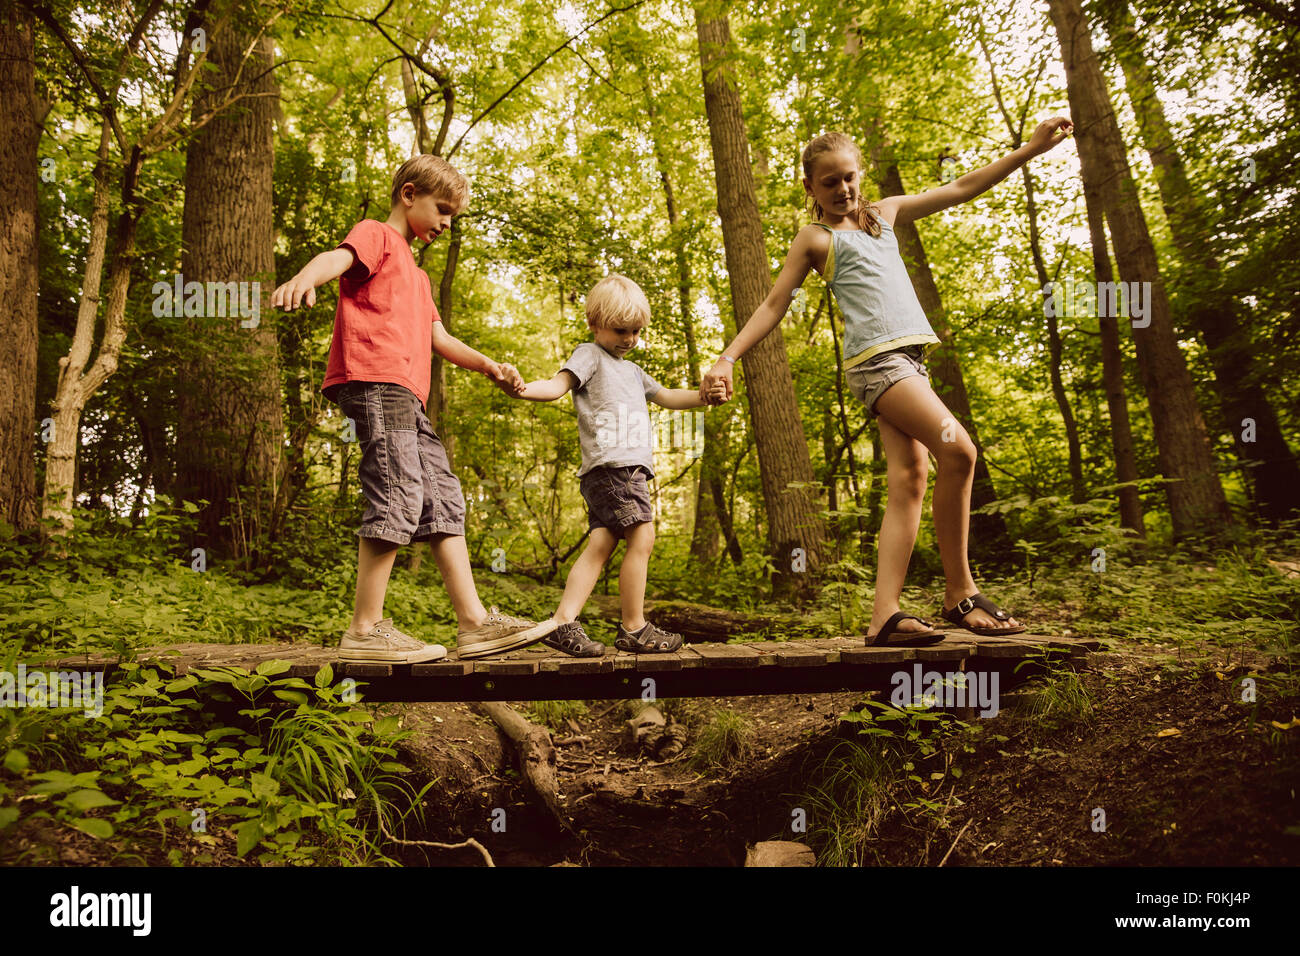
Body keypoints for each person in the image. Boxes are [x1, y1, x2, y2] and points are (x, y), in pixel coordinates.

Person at [699, 119, 1074, 646]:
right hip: (877, 364)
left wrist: (1029, 150)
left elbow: (961, 187)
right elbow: (773, 303)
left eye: (849, 177)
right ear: (810, 187)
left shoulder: (885, 215)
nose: (842, 190)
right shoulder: (816, 238)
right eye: (828, 182)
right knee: (960, 452)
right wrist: (728, 358)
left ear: (861, 175)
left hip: (909, 362)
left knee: (909, 480)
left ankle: (884, 617)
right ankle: (960, 593)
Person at [271, 154, 557, 663]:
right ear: (409, 195)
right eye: (442, 209)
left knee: (442, 496)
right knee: (398, 491)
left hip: (407, 396)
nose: (446, 223)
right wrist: (304, 279)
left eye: (452, 215)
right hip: (375, 383)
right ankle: (364, 628)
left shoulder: (419, 278)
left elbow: (439, 337)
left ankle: (473, 623)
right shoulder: (377, 236)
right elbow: (336, 258)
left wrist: (490, 365)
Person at [516, 274, 727, 656]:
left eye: (636, 331)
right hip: (615, 468)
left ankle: (562, 621)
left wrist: (704, 397)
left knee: (601, 543)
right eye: (620, 330)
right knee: (642, 538)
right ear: (593, 324)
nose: (629, 339)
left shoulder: (631, 370)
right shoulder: (589, 354)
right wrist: (521, 388)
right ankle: (633, 627)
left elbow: (666, 396)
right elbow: (556, 385)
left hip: (614, 472)